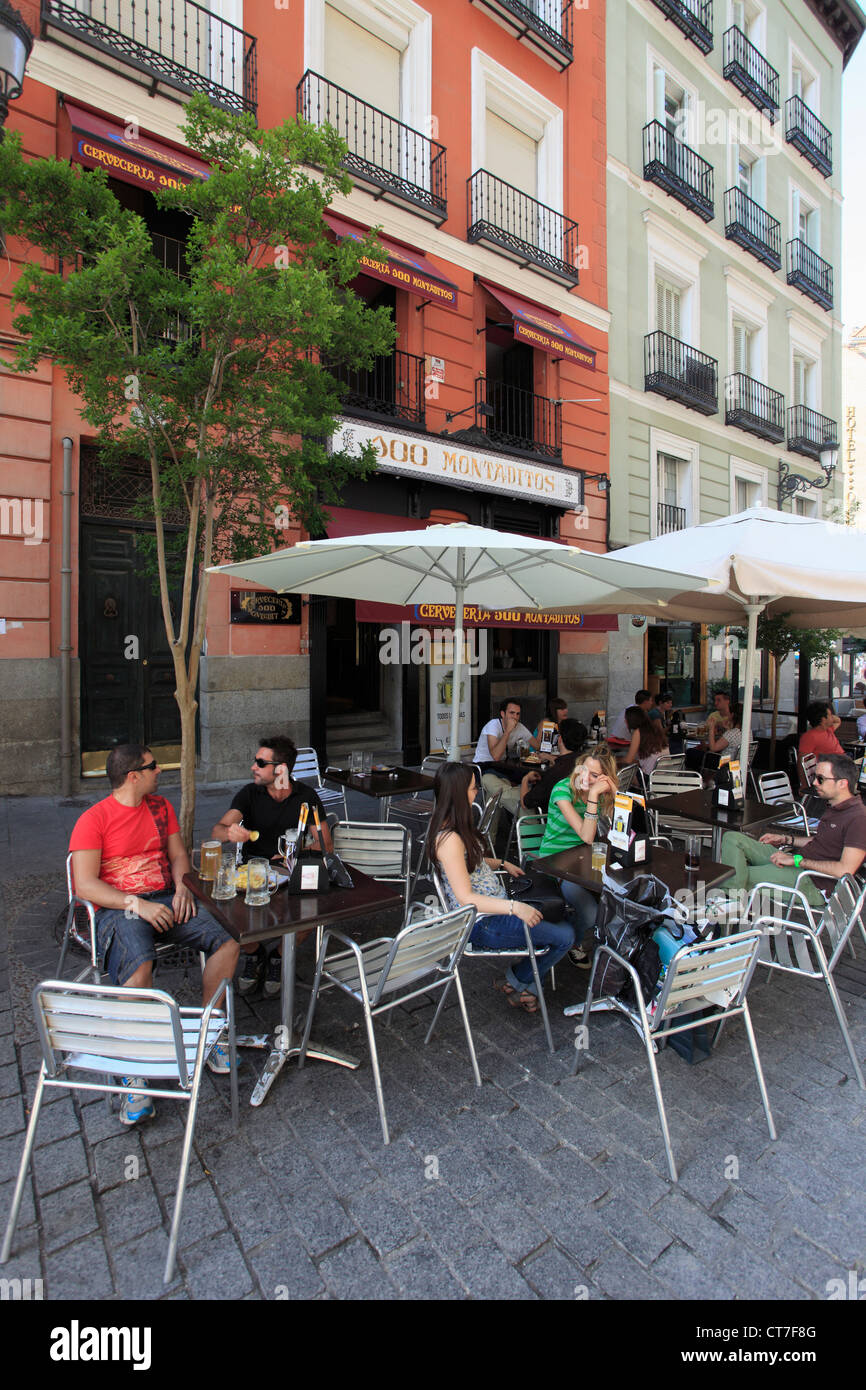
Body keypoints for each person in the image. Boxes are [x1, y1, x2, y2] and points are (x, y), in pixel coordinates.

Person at [69, 745, 240, 1126]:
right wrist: (136, 904)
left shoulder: (161, 808)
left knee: (228, 937)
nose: (160, 770)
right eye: (152, 767)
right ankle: (135, 1073)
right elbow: (84, 884)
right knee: (139, 964)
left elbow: (179, 856)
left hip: (166, 897)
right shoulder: (93, 819)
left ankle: (211, 1035)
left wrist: (183, 887)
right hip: (120, 907)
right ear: (133, 776)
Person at [430, 762, 574, 1013]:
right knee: (566, 935)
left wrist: (502, 862)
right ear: (459, 793)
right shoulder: (449, 839)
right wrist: (515, 907)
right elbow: (465, 897)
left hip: (495, 907)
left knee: (564, 915)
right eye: (473, 789)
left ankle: (517, 980)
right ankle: (520, 981)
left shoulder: (453, 829)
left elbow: (466, 861)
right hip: (482, 923)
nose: (476, 793)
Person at [211, 735, 332, 996]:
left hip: (290, 874)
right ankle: (254, 954)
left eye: (259, 762)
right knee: (227, 917)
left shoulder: (306, 796)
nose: (253, 767)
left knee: (312, 914)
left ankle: (277, 956)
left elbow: (325, 844)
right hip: (251, 875)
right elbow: (217, 830)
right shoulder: (249, 794)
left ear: (280, 769)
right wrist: (230, 832)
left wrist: (294, 851)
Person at [720, 754, 866, 908]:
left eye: (821, 779)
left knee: (733, 876)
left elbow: (844, 870)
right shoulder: (835, 807)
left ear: (842, 783)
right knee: (732, 838)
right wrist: (785, 839)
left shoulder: (858, 819)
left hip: (813, 883)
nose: (815, 782)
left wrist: (796, 860)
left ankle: (727, 920)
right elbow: (821, 841)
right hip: (798, 863)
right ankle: (734, 910)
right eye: (815, 777)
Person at [538, 749, 618, 967]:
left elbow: (614, 830)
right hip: (555, 862)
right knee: (592, 913)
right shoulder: (562, 790)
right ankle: (570, 941)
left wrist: (613, 795)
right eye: (584, 770)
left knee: (618, 901)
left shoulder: (602, 794)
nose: (586, 778)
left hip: (586, 862)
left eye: (594, 775)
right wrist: (593, 796)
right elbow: (587, 835)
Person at [473, 697, 535, 843]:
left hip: (502, 771)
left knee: (494, 796)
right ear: (502, 714)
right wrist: (507, 732)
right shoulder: (493, 726)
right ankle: (530, 820)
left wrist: (543, 729)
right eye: (511, 713)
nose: (515, 717)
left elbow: (536, 744)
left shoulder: (519, 726)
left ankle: (486, 841)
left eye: (518, 714)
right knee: (500, 791)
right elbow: (495, 755)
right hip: (483, 769)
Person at [521, 719, 587, 814]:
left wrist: (525, 779)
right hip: (580, 815)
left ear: (559, 739)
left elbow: (525, 803)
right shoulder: (585, 764)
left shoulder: (556, 773)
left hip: (546, 818)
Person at [622, 706, 669, 776]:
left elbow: (628, 760)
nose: (624, 721)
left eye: (626, 718)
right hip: (665, 775)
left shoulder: (638, 732)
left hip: (650, 778)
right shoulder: (655, 728)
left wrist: (615, 760)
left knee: (618, 774)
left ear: (631, 719)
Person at [531, 697, 569, 762]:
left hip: (550, 755)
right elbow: (540, 747)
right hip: (536, 756)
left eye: (565, 708)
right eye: (562, 709)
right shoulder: (547, 723)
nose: (566, 711)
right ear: (554, 711)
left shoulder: (562, 723)